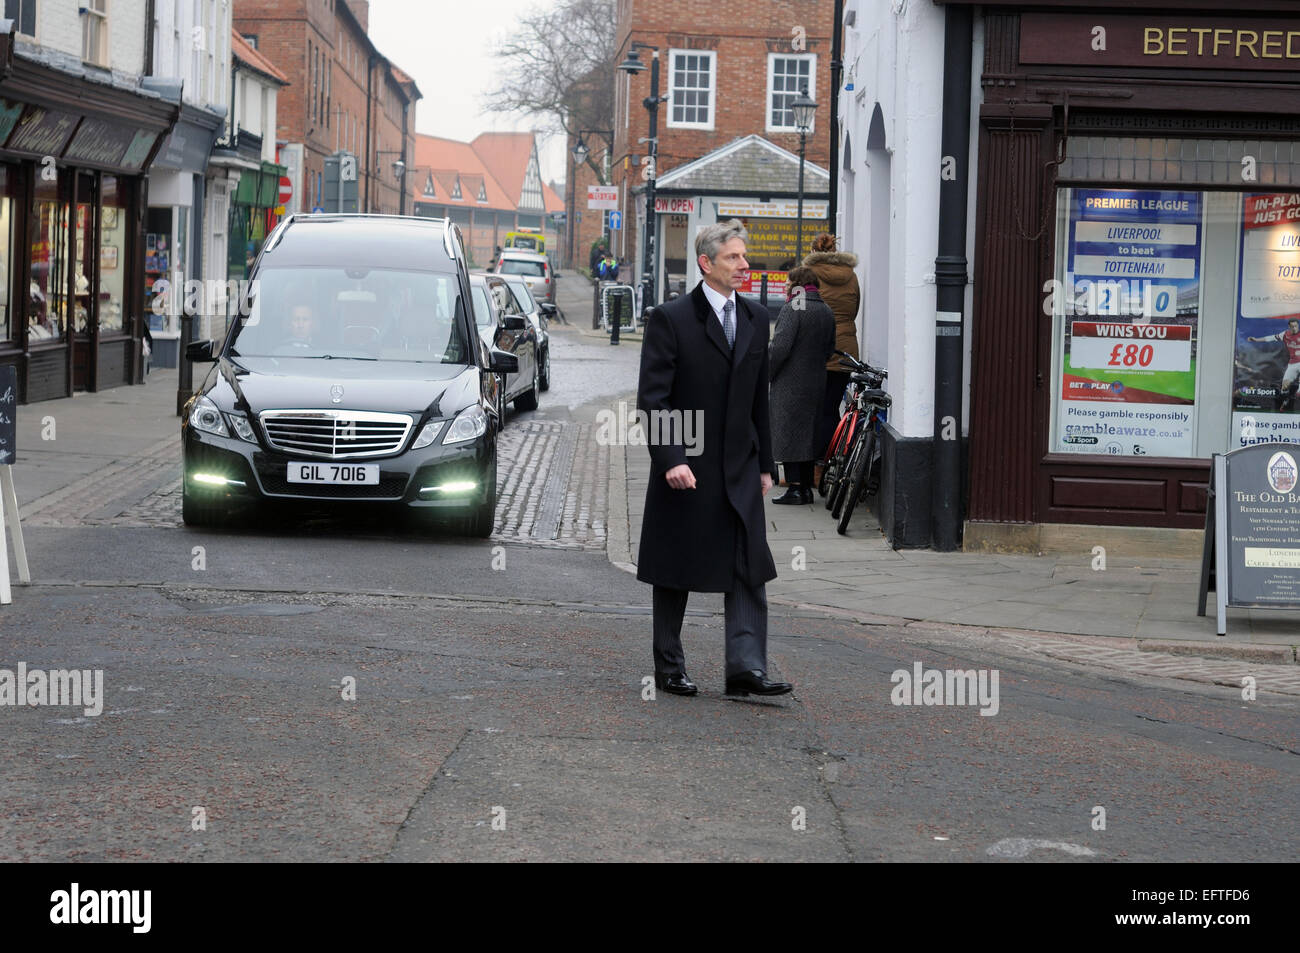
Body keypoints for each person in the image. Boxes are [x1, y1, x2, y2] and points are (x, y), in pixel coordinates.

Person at [636, 219, 791, 698]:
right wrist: (671, 459)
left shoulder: (756, 317)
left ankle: (746, 668)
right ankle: (669, 666)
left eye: (745, 257)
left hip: (740, 465)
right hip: (689, 462)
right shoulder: (672, 318)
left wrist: (767, 462)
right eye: (735, 257)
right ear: (707, 263)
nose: (745, 266)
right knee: (676, 565)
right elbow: (654, 399)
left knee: (748, 564)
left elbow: (758, 399)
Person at [769, 265, 836, 505]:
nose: (786, 286)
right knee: (808, 435)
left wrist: (767, 372)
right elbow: (830, 348)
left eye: (788, 282)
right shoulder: (826, 309)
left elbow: (779, 348)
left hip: (790, 382)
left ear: (798, 284)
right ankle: (806, 488)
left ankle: (795, 489)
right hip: (817, 381)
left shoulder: (793, 307)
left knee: (788, 433)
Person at [802, 233, 861, 479]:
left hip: (816, 349)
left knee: (811, 411)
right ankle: (826, 467)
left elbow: (800, 309)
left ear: (814, 251)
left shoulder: (808, 275)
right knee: (830, 409)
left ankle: (810, 470)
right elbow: (854, 309)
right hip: (845, 350)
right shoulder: (851, 276)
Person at [1247, 319, 1300, 411]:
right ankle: (1286, 401)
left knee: (1298, 394)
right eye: (1292, 326)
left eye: (1296, 326)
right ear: (1289, 327)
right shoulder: (1285, 335)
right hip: (1292, 364)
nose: (1294, 328)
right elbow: (1270, 338)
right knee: (1284, 387)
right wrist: (1256, 339)